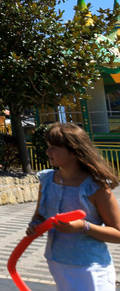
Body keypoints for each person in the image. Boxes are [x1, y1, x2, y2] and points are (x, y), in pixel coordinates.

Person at [27, 122, 120, 290]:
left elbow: (118, 233)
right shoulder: (47, 181)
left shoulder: (95, 187)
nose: (48, 152)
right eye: (48, 146)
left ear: (74, 152)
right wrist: (35, 225)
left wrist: (84, 227)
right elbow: (39, 216)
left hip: (91, 269)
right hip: (57, 263)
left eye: (54, 147)